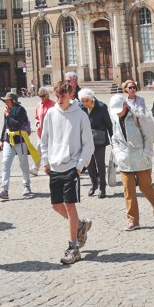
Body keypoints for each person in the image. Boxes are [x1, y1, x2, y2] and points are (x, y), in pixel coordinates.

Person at [39, 78, 93, 265]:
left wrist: (79, 167)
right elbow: (44, 139)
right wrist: (45, 161)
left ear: (71, 95)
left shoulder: (80, 115)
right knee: (56, 205)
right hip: (55, 165)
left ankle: (73, 247)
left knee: (70, 206)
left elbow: (88, 145)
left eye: (63, 96)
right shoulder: (51, 114)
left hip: (71, 166)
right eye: (57, 96)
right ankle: (80, 225)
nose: (59, 99)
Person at [108, 88, 154, 230]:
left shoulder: (138, 116)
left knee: (146, 188)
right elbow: (115, 139)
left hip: (141, 158)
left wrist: (147, 155)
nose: (118, 112)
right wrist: (117, 154)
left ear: (125, 105)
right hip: (124, 161)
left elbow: (147, 136)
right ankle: (133, 220)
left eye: (120, 109)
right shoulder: (115, 119)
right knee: (128, 191)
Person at [0, 91, 34, 200]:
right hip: (8, 140)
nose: (6, 102)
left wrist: (8, 116)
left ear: (13, 101)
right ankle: (4, 189)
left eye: (8, 100)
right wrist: (1, 139)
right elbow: (5, 125)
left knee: (23, 163)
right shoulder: (7, 111)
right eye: (5, 100)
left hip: (20, 140)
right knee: (5, 163)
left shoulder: (20, 110)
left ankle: (26, 186)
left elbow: (16, 124)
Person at [80, 88, 112, 198]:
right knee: (89, 165)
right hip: (86, 141)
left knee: (100, 164)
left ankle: (102, 188)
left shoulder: (101, 107)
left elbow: (109, 124)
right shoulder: (81, 108)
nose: (84, 104)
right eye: (82, 101)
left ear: (91, 99)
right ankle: (94, 185)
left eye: (86, 101)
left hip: (99, 140)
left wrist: (113, 139)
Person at [31, 85, 55, 176]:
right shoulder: (38, 105)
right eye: (40, 96)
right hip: (40, 132)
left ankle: (50, 167)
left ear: (47, 95)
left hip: (50, 133)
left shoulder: (52, 104)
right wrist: (37, 123)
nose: (42, 98)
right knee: (38, 149)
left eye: (43, 96)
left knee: (50, 150)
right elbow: (36, 117)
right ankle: (35, 168)